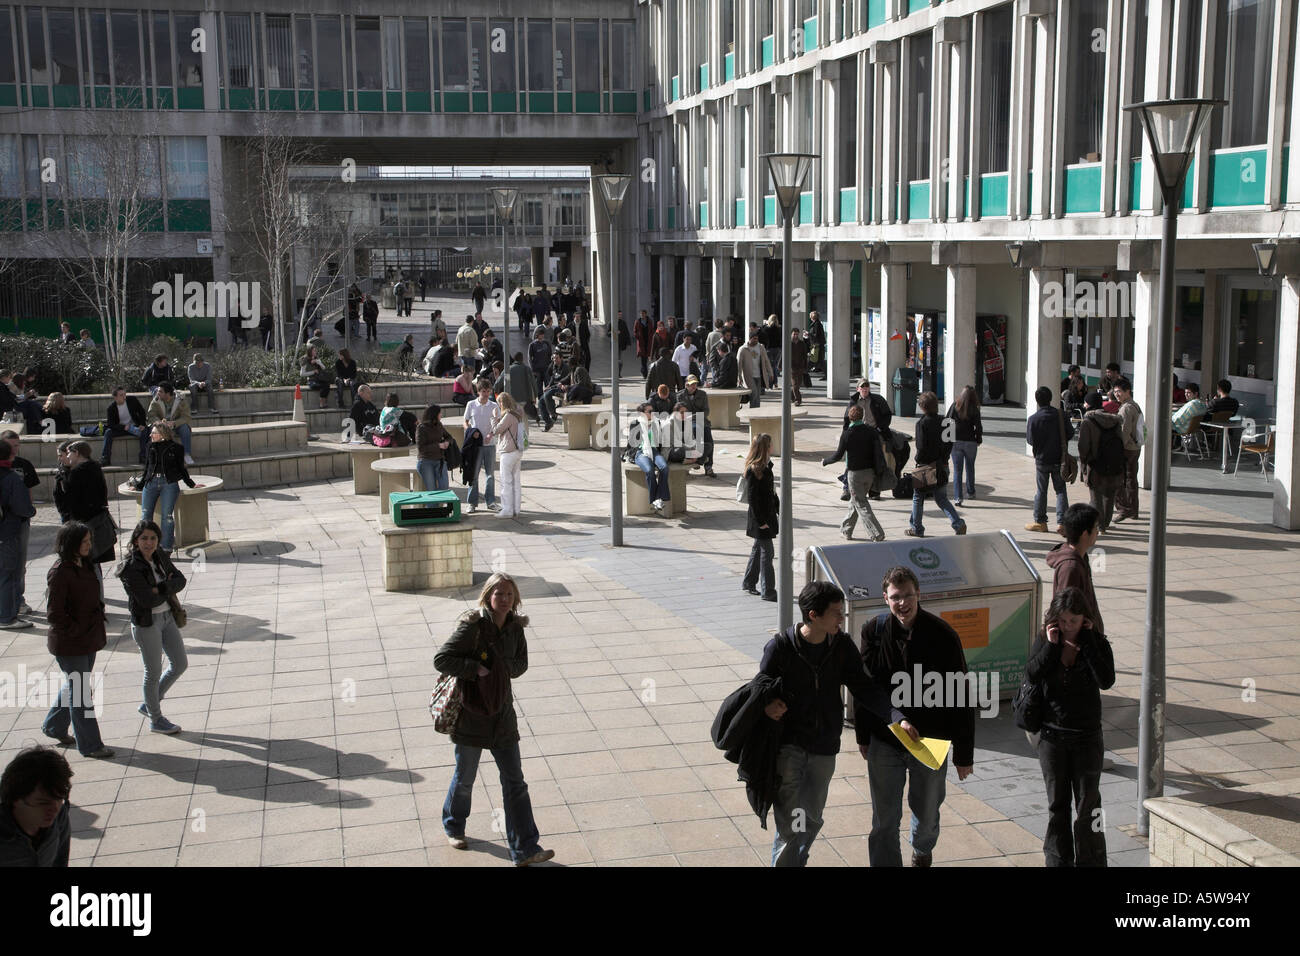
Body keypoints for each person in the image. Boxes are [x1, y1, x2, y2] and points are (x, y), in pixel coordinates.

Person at [759, 581, 903, 866]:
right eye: (836, 613)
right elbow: (760, 688)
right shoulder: (781, 647)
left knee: (811, 818)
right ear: (814, 615)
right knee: (791, 822)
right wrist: (767, 705)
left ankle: (795, 859)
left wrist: (895, 717)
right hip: (789, 746)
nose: (842, 618)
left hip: (824, 746)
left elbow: (864, 687)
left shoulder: (841, 646)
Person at [856, 566, 975, 866]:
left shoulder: (943, 635)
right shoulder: (873, 631)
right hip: (886, 738)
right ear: (885, 598)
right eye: (896, 597)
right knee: (884, 819)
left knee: (926, 812)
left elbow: (961, 695)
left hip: (930, 741)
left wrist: (963, 753)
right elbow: (865, 687)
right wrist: (863, 735)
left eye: (908, 595)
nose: (902, 603)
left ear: (919, 594)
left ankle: (921, 853)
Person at [434, 572, 554, 865]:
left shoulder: (516, 627)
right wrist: (476, 668)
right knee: (465, 779)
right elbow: (442, 659)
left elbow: (521, 664)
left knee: (515, 781)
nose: (504, 599)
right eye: (498, 594)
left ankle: (525, 848)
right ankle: (454, 826)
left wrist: (501, 668)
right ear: (488, 596)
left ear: (516, 599)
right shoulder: (472, 626)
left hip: (502, 715)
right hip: (471, 715)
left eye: (509, 594)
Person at [1026, 587, 1115, 866]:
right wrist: (1052, 646)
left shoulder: (1096, 642)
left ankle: (1093, 860)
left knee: (1089, 806)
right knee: (1057, 806)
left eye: (1073, 622)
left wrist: (1087, 642)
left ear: (1084, 620)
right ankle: (1057, 860)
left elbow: (1106, 680)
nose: (1067, 627)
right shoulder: (1046, 640)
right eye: (1063, 621)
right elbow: (1031, 673)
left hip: (1087, 738)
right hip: (1052, 737)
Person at [40, 521, 113, 760]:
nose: (88, 546)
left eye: (89, 541)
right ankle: (91, 744)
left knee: (76, 686)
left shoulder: (86, 564)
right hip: (71, 642)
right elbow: (55, 614)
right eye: (83, 542)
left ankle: (54, 726)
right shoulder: (61, 571)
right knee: (81, 692)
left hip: (88, 637)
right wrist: (76, 630)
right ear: (70, 543)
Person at [116, 520, 187, 735]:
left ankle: (150, 704)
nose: (149, 543)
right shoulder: (130, 568)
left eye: (153, 538)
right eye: (144, 538)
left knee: (180, 664)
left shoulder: (160, 557)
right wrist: (164, 587)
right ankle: (156, 719)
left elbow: (181, 580)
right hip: (147, 623)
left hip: (167, 617)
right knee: (153, 671)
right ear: (136, 541)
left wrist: (160, 588)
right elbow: (146, 600)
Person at [0, 746, 78, 864]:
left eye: (59, 799)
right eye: (43, 803)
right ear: (16, 799)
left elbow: (60, 860)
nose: (54, 809)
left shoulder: (59, 816)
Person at [823, 404, 887, 542]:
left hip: (855, 475)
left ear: (850, 418)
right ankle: (846, 530)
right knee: (855, 501)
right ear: (862, 416)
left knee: (861, 503)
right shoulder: (871, 431)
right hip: (869, 473)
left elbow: (838, 455)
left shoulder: (847, 434)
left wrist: (825, 461)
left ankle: (877, 533)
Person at [910, 391, 966, 537]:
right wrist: (943, 458)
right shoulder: (948, 422)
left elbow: (921, 446)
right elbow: (950, 443)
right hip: (942, 464)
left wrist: (918, 460)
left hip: (926, 465)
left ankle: (917, 528)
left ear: (922, 407)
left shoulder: (921, 423)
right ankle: (958, 523)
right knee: (941, 498)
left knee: (918, 497)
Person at [140, 423, 196, 552]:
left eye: (153, 433)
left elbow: (182, 469)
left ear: (162, 434)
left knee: (167, 516)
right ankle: (143, 546)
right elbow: (147, 469)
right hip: (152, 482)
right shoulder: (150, 446)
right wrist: (140, 484)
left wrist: (191, 483)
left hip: (168, 482)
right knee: (145, 515)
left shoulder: (176, 448)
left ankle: (166, 547)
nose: (150, 435)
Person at [1025, 386, 1073, 533]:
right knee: (1060, 491)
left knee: (1041, 491)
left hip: (1042, 459)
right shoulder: (1061, 415)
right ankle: (1062, 523)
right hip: (1059, 459)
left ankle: (1040, 522)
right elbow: (1070, 433)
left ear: (1037, 400)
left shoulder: (1033, 419)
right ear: (1051, 398)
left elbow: (1030, 440)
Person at [1075, 392, 1125, 532]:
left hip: (1095, 464)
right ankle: (1106, 522)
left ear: (1089, 404)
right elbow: (1120, 441)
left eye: (1085, 402)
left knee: (1096, 496)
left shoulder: (1088, 421)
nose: (1084, 405)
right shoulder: (1115, 421)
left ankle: (1100, 525)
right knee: (1109, 495)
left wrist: (1084, 461)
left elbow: (1083, 446)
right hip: (1114, 462)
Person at [0, 441, 36, 630]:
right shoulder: (11, 478)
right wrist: (31, 512)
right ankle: (7, 617)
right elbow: (23, 508)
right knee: (7, 575)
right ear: (10, 456)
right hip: (6, 532)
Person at [741, 433, 777, 599]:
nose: (773, 447)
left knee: (758, 550)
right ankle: (768, 591)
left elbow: (770, 492)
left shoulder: (766, 466)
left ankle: (749, 582)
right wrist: (761, 522)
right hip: (760, 519)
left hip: (765, 516)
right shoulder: (755, 469)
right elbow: (753, 499)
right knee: (767, 554)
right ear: (765, 448)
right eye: (770, 444)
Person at [463, 380, 500, 514]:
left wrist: (491, 434)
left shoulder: (494, 405)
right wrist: (471, 433)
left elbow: (498, 423)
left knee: (490, 474)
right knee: (474, 474)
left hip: (489, 445)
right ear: (478, 392)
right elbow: (466, 421)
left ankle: (490, 501)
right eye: (483, 391)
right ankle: (472, 503)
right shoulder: (471, 404)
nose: (485, 394)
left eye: (488, 391)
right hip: (475, 445)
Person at [629, 403, 671, 515]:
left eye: (653, 411)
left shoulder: (656, 422)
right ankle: (656, 499)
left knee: (664, 468)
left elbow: (661, 440)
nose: (652, 413)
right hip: (640, 452)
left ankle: (659, 498)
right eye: (649, 411)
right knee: (649, 470)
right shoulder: (635, 424)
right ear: (642, 413)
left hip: (654, 450)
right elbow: (632, 442)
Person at [1112, 378, 1143, 523]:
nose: (1117, 394)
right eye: (1115, 391)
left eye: (1119, 391)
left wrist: (1116, 450)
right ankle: (1133, 510)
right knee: (1131, 480)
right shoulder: (1135, 405)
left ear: (1127, 392)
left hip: (1126, 448)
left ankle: (1123, 509)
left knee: (1119, 480)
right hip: (1135, 447)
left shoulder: (1126, 408)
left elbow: (1124, 432)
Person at [946, 385, 983, 505]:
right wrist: (978, 439)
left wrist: (949, 438)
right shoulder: (975, 408)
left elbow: (948, 421)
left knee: (957, 470)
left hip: (956, 441)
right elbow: (978, 426)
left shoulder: (955, 405)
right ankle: (971, 492)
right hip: (970, 441)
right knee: (970, 467)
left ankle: (958, 497)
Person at [492, 393, 526, 519]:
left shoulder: (508, 416)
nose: (498, 405)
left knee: (506, 482)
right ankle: (516, 508)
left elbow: (496, 430)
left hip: (508, 451)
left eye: (499, 402)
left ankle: (507, 509)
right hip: (517, 451)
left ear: (502, 403)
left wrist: (494, 418)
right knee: (516, 481)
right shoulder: (517, 414)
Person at [147, 382, 195, 466]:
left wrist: (174, 423)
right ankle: (156, 456)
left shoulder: (181, 400)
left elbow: (186, 416)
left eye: (160, 391)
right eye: (158, 391)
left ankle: (187, 454)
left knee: (185, 429)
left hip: (176, 425)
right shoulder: (156, 400)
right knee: (154, 430)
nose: (158, 393)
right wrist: (160, 423)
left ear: (168, 394)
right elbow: (151, 415)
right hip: (162, 425)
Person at [676, 375, 716, 477]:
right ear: (686, 385)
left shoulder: (702, 394)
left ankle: (708, 467)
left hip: (702, 420)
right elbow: (679, 412)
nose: (694, 386)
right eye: (691, 384)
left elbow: (706, 411)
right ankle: (691, 464)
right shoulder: (680, 395)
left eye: (695, 384)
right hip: (687, 422)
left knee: (709, 441)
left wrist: (694, 416)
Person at [100, 387, 149, 467]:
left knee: (145, 431)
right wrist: (123, 427)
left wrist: (142, 424)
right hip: (121, 428)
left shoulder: (132, 400)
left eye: (124, 394)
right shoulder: (111, 408)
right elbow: (111, 424)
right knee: (108, 432)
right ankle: (105, 458)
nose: (124, 397)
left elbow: (141, 411)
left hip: (134, 426)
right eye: (121, 395)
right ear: (115, 397)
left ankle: (143, 456)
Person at [415, 404, 452, 492]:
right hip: (426, 462)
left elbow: (449, 437)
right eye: (440, 413)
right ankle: (431, 505)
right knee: (431, 491)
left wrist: (447, 442)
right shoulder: (421, 428)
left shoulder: (439, 425)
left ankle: (437, 505)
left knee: (444, 489)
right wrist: (438, 445)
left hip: (440, 461)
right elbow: (421, 448)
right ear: (434, 415)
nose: (441, 415)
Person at [738, 333, 772, 408]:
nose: (756, 340)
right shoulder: (743, 349)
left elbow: (766, 360)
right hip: (748, 376)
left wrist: (770, 373)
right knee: (754, 393)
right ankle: (753, 411)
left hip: (759, 375)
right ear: (750, 339)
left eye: (757, 339)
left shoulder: (761, 347)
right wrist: (739, 377)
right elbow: (739, 364)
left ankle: (756, 411)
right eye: (754, 339)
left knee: (758, 395)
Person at [788, 329, 809, 405]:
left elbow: (805, 356)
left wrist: (806, 366)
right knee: (795, 384)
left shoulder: (802, 344)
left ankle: (791, 397)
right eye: (794, 334)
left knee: (798, 384)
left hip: (800, 366)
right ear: (791, 334)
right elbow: (783, 355)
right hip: (791, 367)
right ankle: (798, 400)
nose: (796, 336)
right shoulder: (788, 343)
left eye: (797, 334)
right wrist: (780, 365)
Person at [633, 309, 654, 378]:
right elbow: (635, 331)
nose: (642, 315)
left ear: (646, 314)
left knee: (647, 357)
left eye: (643, 314)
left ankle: (643, 370)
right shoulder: (638, 321)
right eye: (641, 314)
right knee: (643, 359)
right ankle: (645, 373)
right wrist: (637, 336)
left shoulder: (649, 321)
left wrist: (651, 337)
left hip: (648, 341)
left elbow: (652, 330)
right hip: (641, 342)